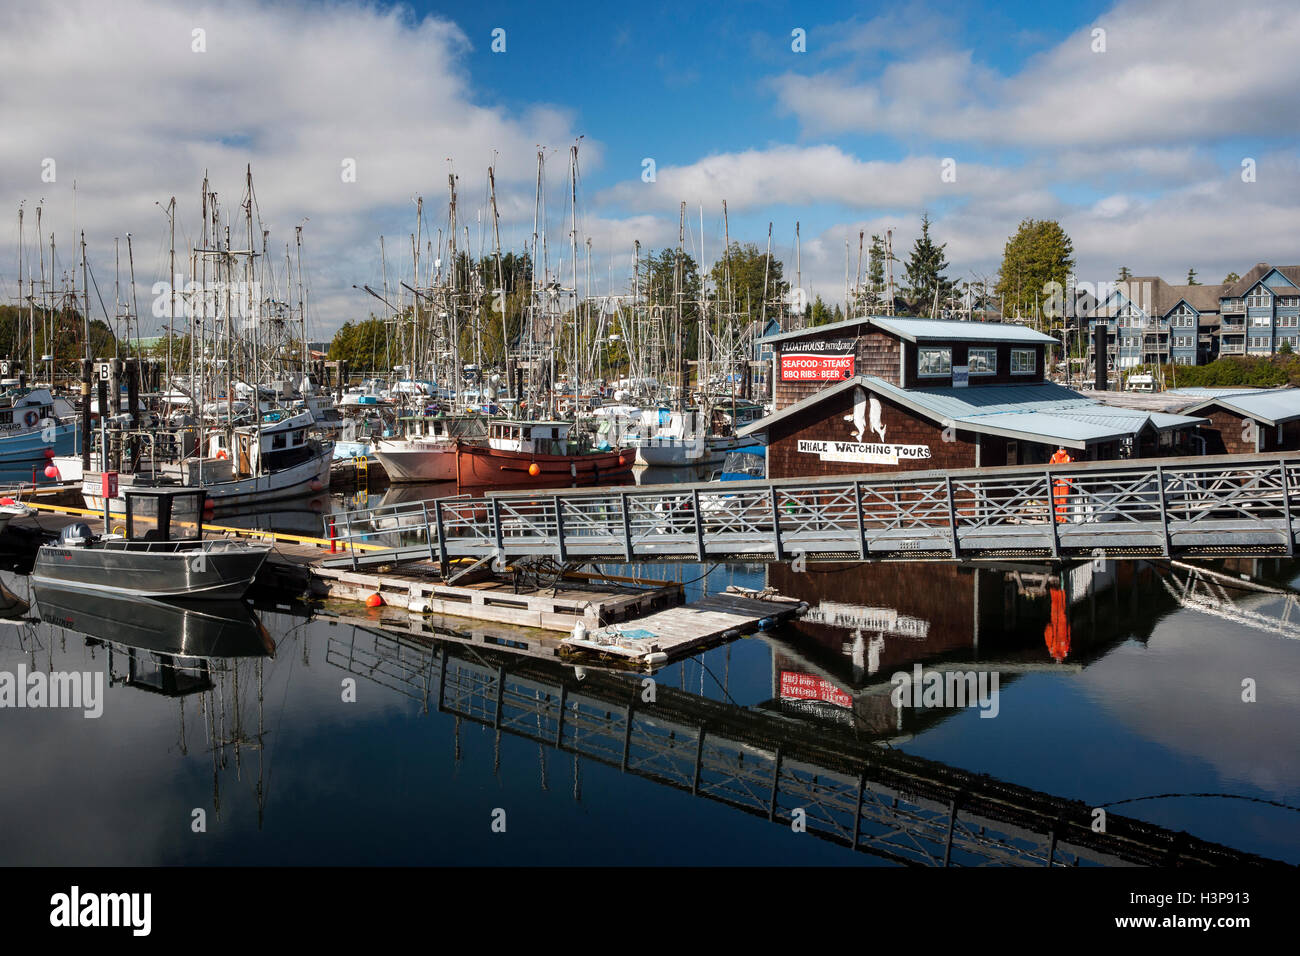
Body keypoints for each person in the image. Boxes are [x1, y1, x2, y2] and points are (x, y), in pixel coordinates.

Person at [1049, 446, 1073, 522]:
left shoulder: (1054, 456)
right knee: (1063, 501)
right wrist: (1070, 483)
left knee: (1055, 500)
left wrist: (1050, 480)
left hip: (1056, 482)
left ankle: (1056, 518)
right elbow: (1071, 471)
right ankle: (1063, 519)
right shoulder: (1068, 457)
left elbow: (1049, 468)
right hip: (1064, 482)